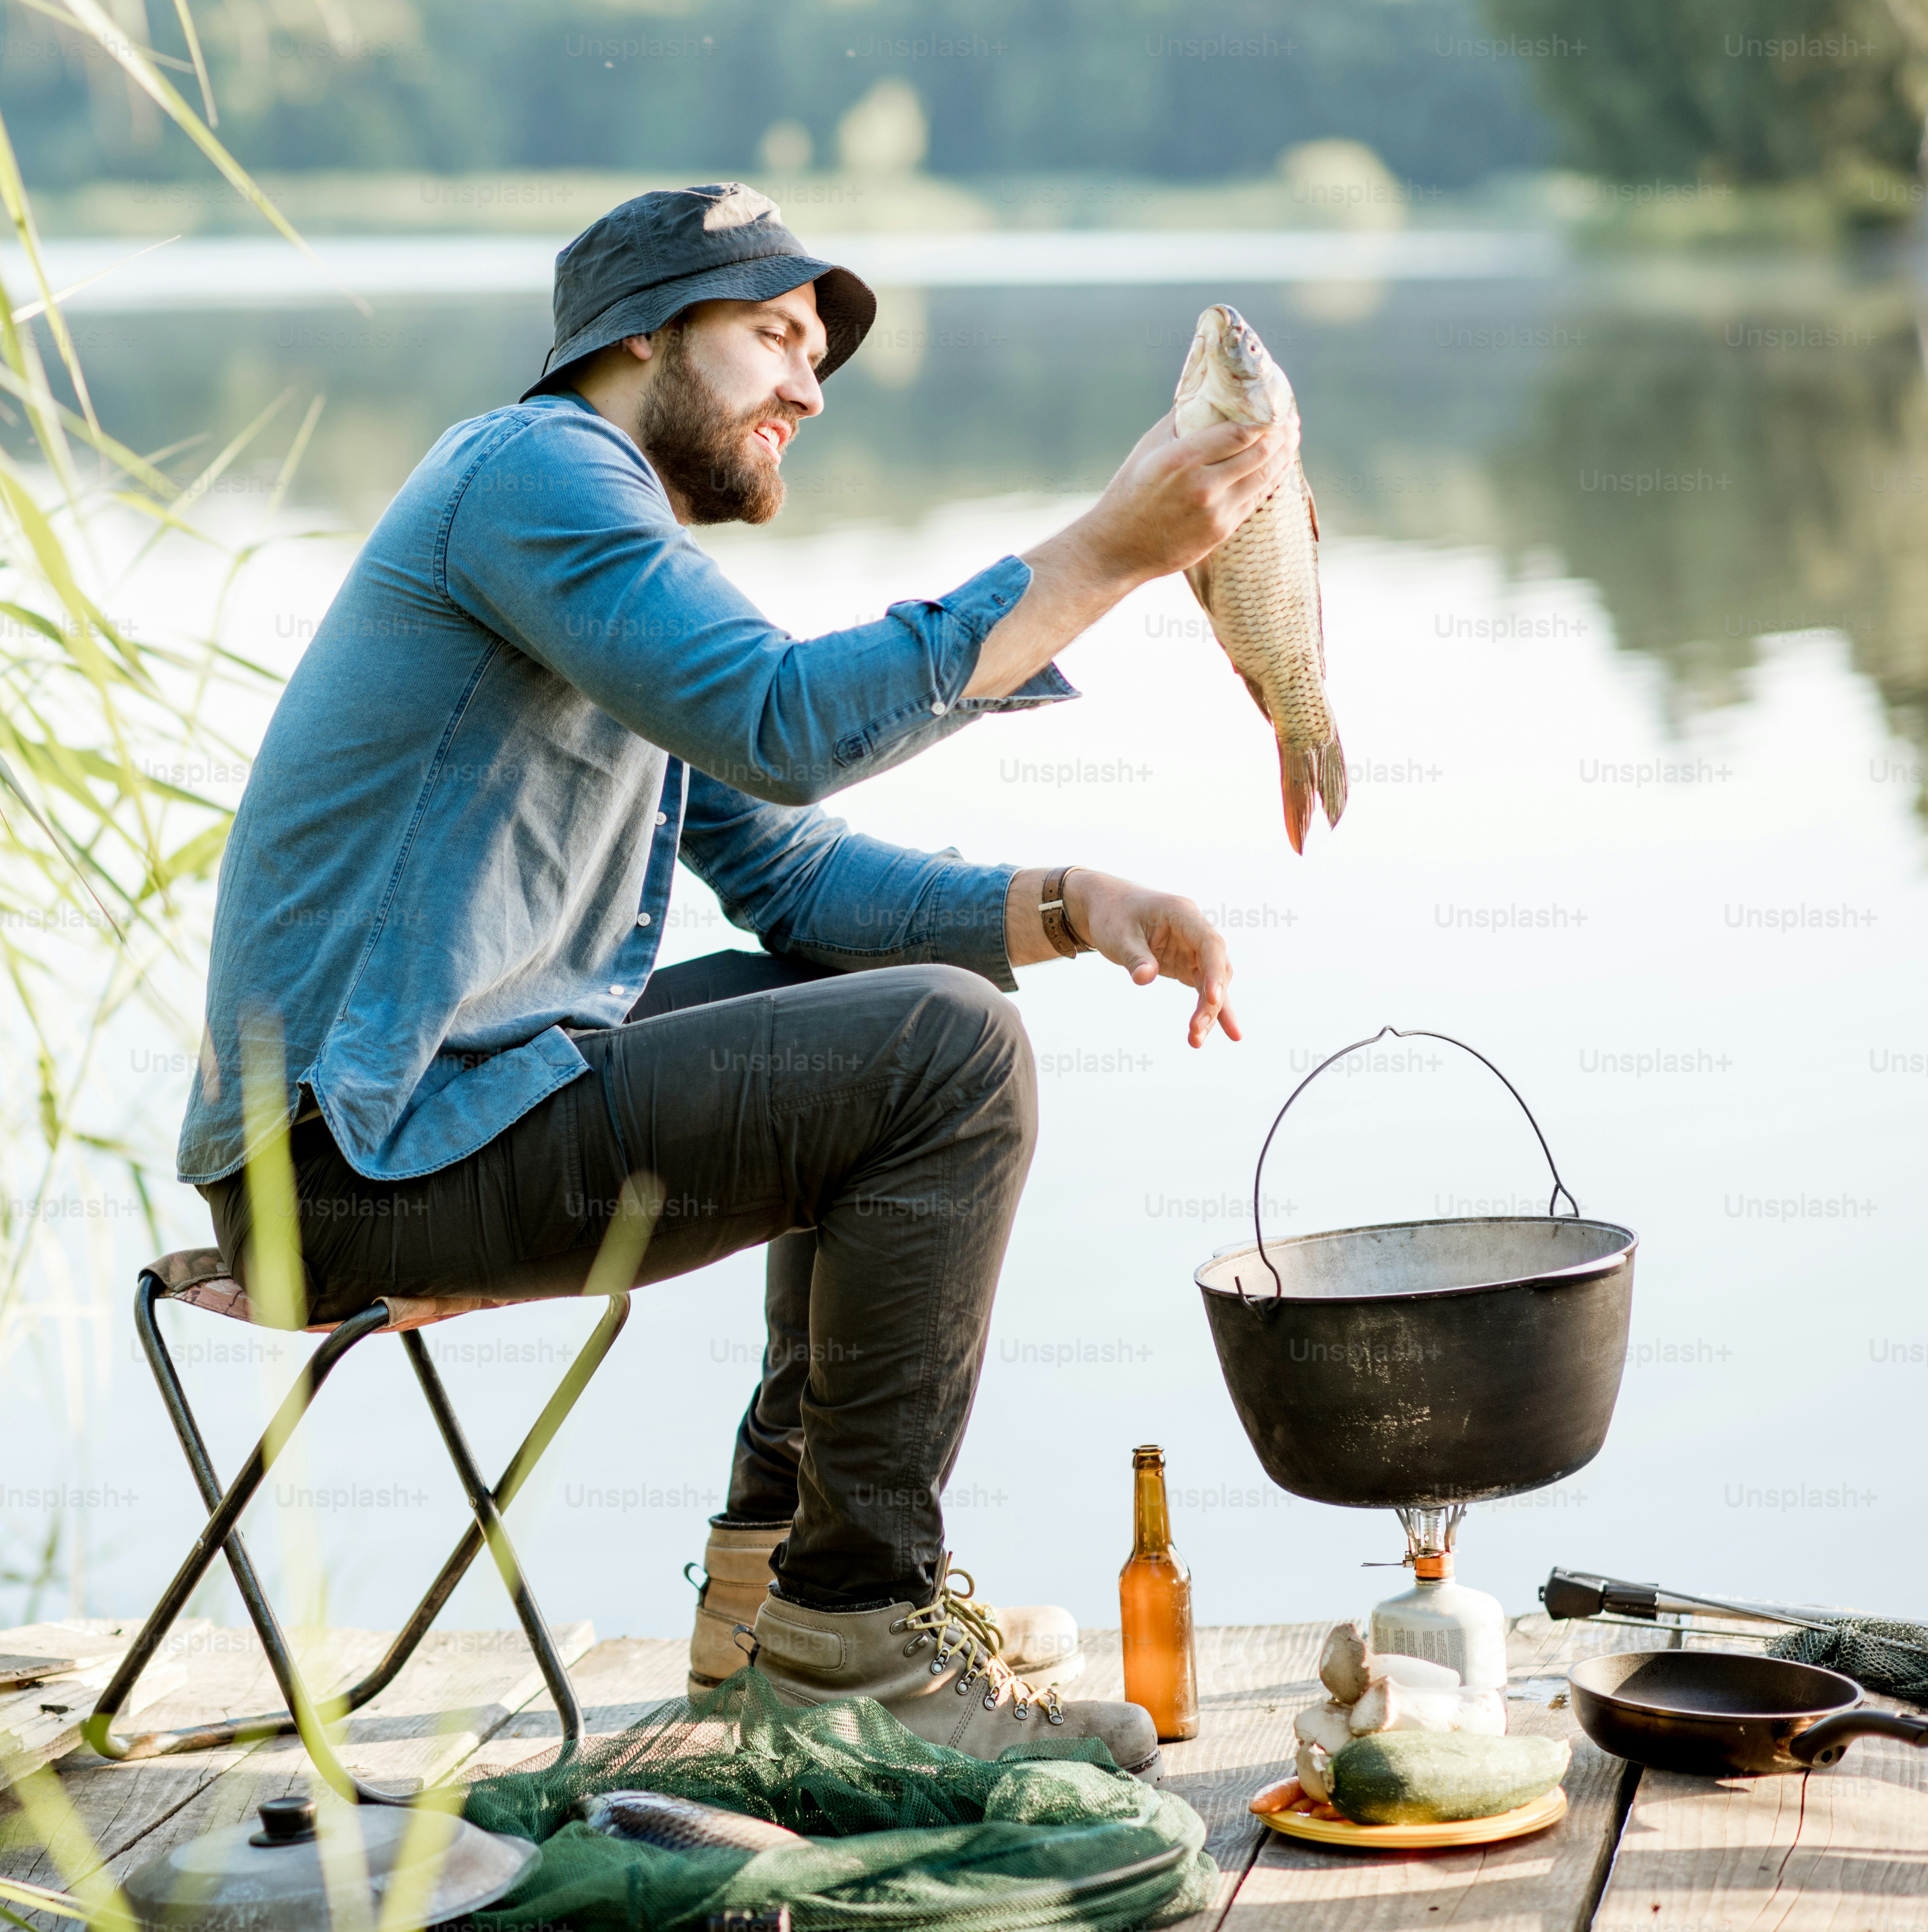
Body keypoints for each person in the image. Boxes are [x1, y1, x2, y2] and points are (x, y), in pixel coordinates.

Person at [181, 183, 1293, 1777]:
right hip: (351, 1168)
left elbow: (795, 876)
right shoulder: (534, 472)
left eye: (818, 353)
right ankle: (859, 1646)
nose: (810, 385)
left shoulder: (591, 554)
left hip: (396, 1144)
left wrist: (1070, 901)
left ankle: (768, 1593)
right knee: (949, 1060)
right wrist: (1108, 553)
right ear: (640, 337)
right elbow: (783, 716)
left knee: (786, 993)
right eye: (774, 334)